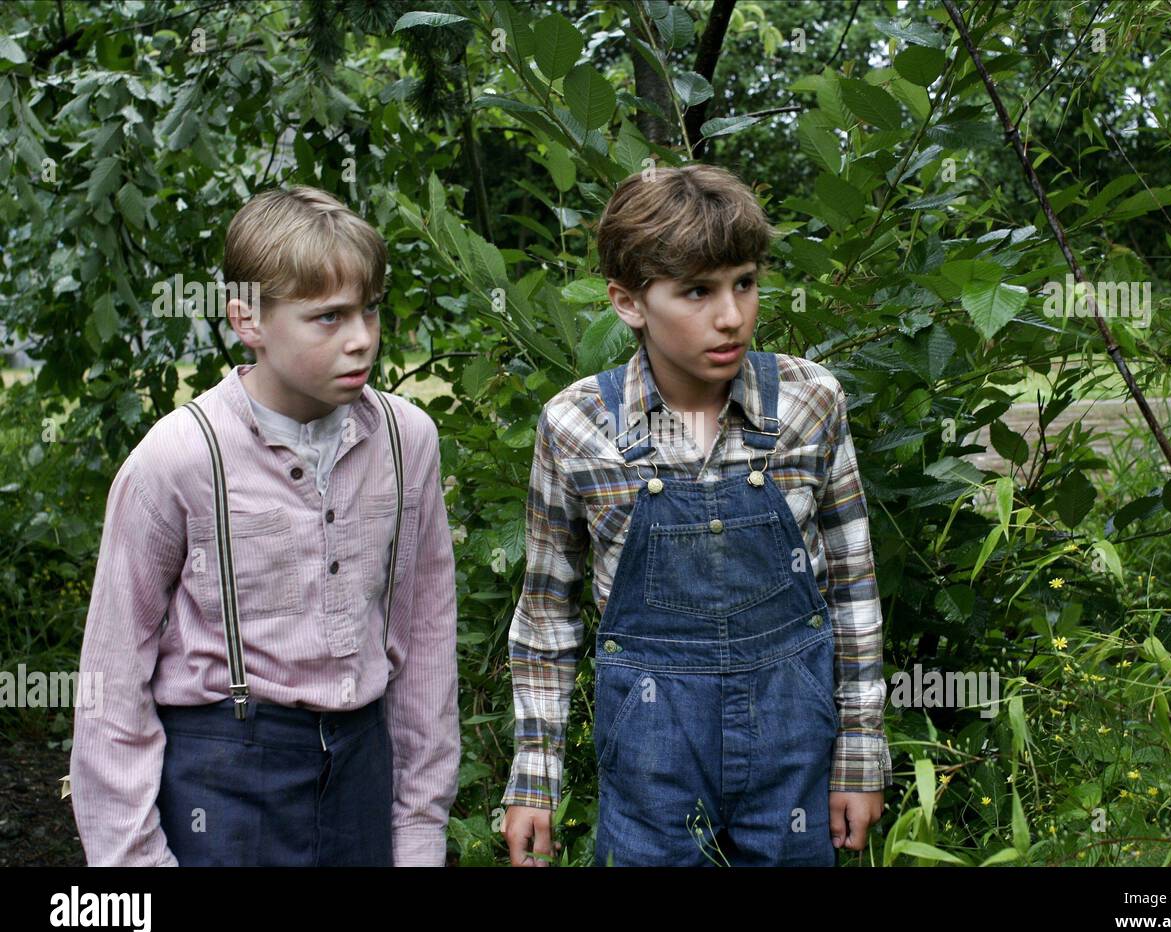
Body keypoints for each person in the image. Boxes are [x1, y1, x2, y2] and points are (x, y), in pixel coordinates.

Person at [501, 164, 891, 866]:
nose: (732, 314)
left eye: (744, 282)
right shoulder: (575, 425)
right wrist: (534, 778)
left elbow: (853, 591)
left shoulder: (810, 403)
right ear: (627, 302)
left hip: (793, 754)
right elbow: (546, 613)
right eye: (697, 292)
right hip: (651, 762)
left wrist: (860, 751)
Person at [70, 186, 459, 866]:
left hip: (362, 766)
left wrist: (419, 829)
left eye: (369, 308)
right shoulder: (180, 457)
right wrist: (133, 863)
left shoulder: (408, 439)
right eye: (327, 317)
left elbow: (424, 639)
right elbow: (110, 678)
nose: (362, 337)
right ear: (248, 320)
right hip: (221, 773)